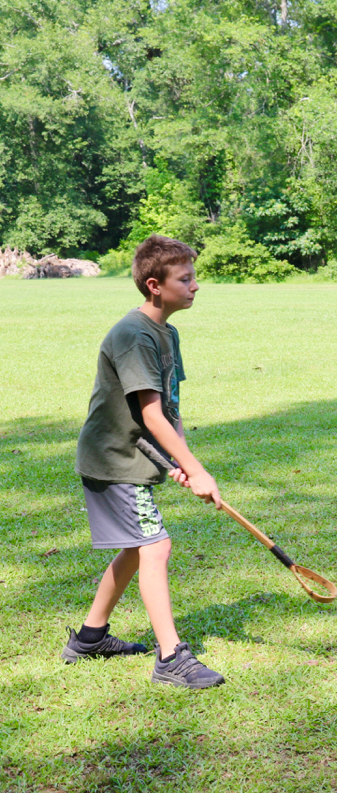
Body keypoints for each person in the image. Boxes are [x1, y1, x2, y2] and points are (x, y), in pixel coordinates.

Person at [63, 234, 226, 689]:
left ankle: (90, 639)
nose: (196, 286)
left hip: (135, 456)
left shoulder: (165, 333)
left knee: (137, 548)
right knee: (155, 546)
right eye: (186, 278)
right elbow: (149, 413)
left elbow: (168, 413)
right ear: (155, 285)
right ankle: (171, 657)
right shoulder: (133, 335)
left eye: (195, 277)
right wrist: (196, 469)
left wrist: (182, 460)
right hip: (112, 459)